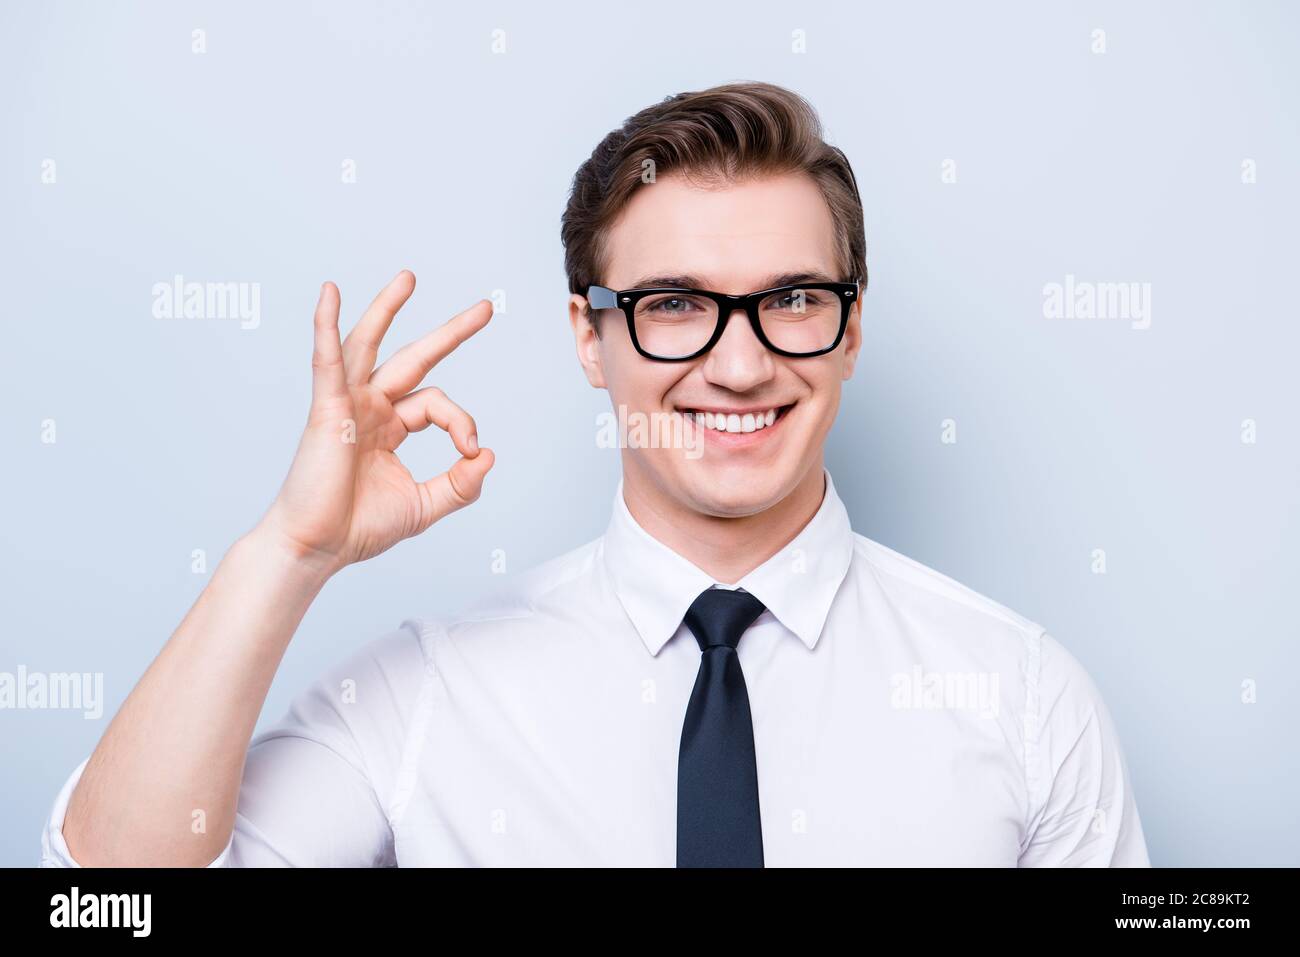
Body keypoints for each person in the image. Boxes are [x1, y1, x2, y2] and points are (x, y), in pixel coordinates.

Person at [41, 81, 1148, 867]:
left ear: (851, 332)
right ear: (589, 336)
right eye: (673, 305)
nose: (741, 361)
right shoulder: (431, 695)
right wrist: (286, 554)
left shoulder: (1021, 697)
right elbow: (108, 899)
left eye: (794, 299)